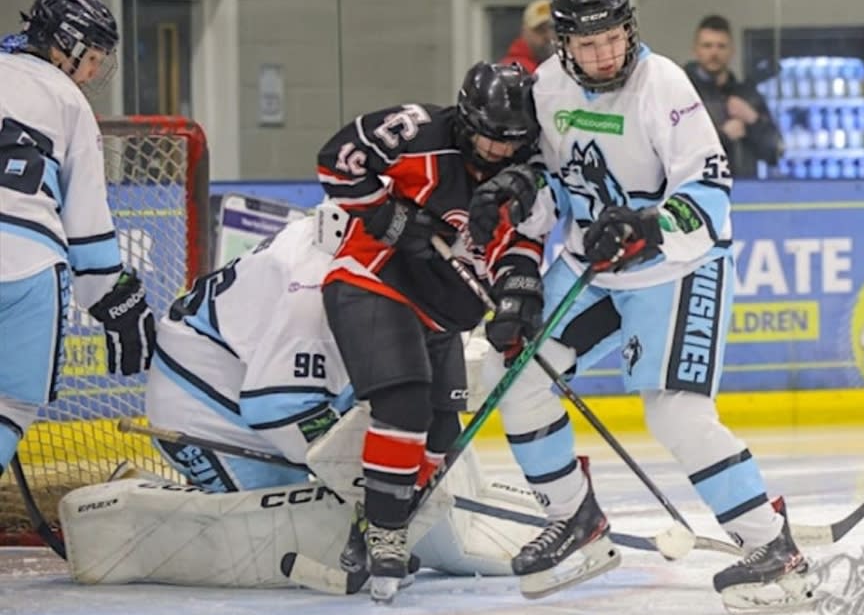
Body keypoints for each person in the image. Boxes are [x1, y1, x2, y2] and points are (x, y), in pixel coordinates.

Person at [467, 0, 812, 614]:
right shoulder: (546, 87)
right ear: (562, 42)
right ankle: (575, 519)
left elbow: (709, 194)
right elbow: (549, 177)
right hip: (593, 263)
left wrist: (650, 226)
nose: (603, 54)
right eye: (587, 42)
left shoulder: (666, 87)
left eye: (613, 37)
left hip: (677, 265)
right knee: (514, 377)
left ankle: (772, 546)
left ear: (630, 29)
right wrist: (522, 192)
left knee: (674, 413)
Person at [59, 214, 544, 590]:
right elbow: (277, 407)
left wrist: (409, 481)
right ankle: (131, 514)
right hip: (209, 407)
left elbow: (437, 417)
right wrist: (366, 490)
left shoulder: (407, 266)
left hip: (274, 381)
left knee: (392, 481)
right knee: (293, 539)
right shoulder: (320, 294)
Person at [315, 61, 543, 602]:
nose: (495, 150)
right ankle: (388, 533)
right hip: (373, 282)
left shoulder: (530, 175)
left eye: (508, 142)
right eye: (486, 137)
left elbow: (523, 248)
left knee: (443, 432)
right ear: (465, 119)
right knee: (406, 404)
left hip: (445, 313)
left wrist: (515, 299)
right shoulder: (418, 131)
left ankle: (370, 525)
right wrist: (391, 217)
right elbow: (337, 161)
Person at [0, 0, 154, 479]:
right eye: (91, 58)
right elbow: (87, 225)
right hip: (26, 264)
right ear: (63, 45)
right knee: (12, 404)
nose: (91, 73)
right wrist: (116, 301)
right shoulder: (68, 100)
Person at [683, 14, 780, 177]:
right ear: (696, 50)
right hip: (698, 192)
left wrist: (753, 119)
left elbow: (776, 151)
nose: (714, 52)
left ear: (732, 50)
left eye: (721, 46)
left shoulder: (747, 95)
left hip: (746, 192)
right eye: (707, 46)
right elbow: (675, 151)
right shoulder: (683, 93)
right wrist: (723, 136)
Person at [500, 0, 555, 73]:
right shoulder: (514, 70)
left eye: (553, 29)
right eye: (541, 30)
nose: (549, 36)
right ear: (524, 31)